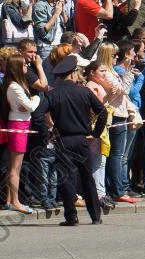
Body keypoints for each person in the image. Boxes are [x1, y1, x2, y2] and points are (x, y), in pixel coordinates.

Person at [42, 53, 107, 225]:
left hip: (63, 140)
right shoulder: (84, 92)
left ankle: (71, 217)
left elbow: (38, 115)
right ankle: (95, 215)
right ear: (72, 73)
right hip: (82, 139)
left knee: (66, 178)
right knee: (87, 177)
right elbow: (103, 112)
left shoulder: (53, 94)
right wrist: (95, 133)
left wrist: (47, 136)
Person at [2, 53, 39, 213]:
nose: (26, 67)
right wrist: (35, 98)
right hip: (19, 124)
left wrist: (30, 100)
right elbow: (31, 106)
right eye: (24, 65)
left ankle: (10, 199)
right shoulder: (15, 86)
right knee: (15, 167)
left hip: (20, 122)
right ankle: (16, 201)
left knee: (13, 165)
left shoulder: (13, 84)